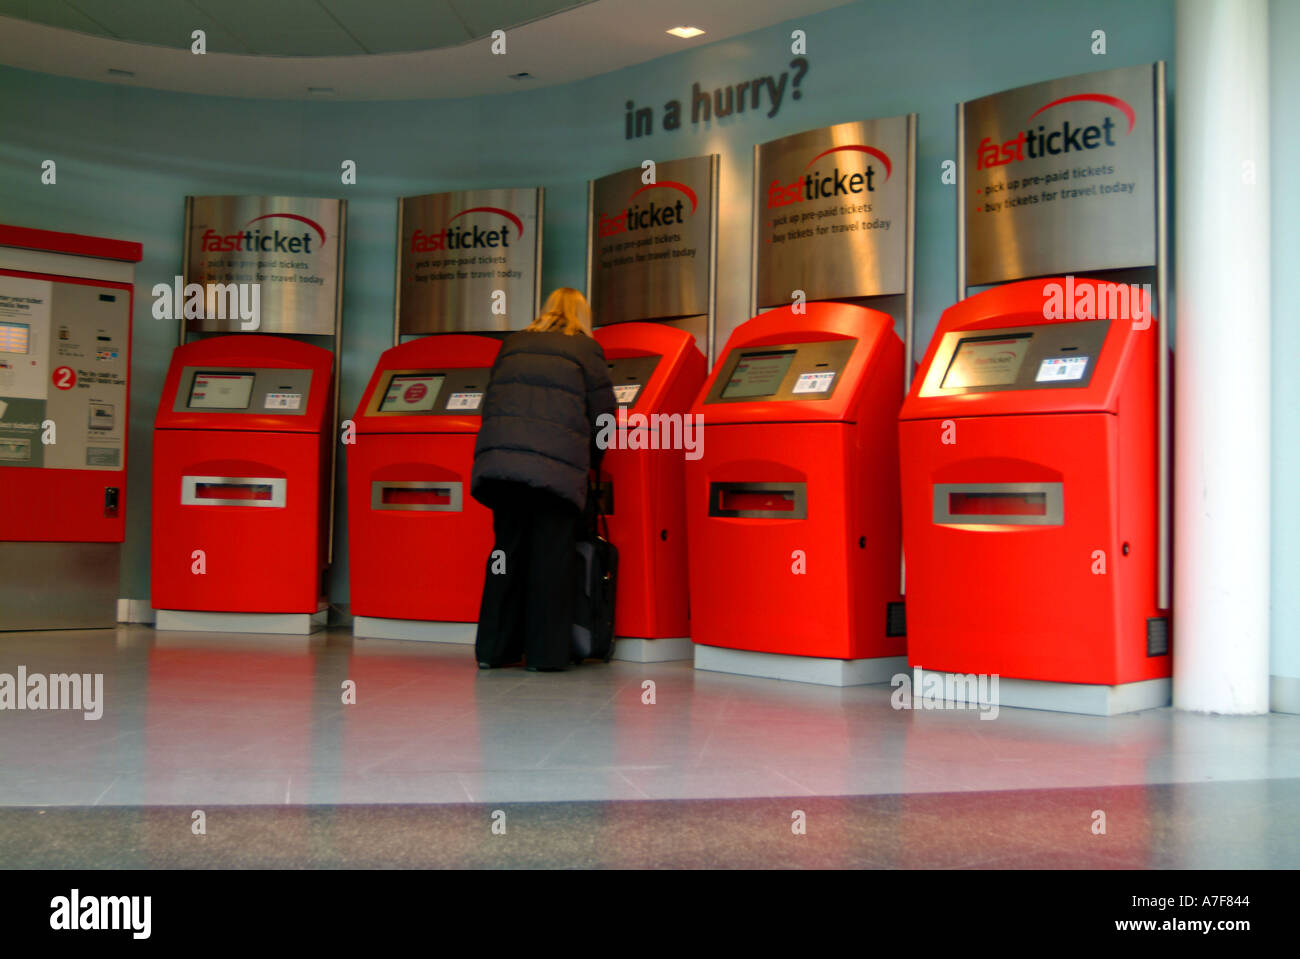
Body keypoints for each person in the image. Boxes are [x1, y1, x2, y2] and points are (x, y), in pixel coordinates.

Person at [470, 287, 616, 671]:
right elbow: (604, 415)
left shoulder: (513, 345)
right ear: (581, 315)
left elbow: (492, 404)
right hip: (555, 472)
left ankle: (493, 651)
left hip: (502, 468)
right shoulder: (586, 349)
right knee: (551, 558)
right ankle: (544, 656)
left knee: (506, 554)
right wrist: (593, 460)